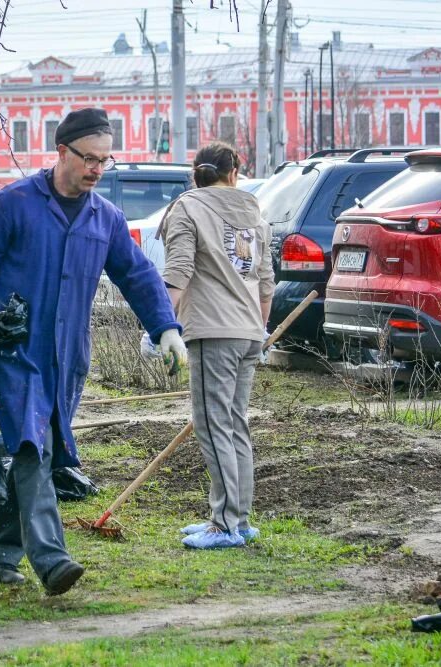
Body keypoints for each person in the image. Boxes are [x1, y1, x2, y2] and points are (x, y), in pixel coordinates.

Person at [0, 108, 185, 596]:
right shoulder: (15, 203)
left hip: (68, 357)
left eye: (104, 161)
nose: (96, 169)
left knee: (45, 453)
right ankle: (52, 559)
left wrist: (166, 328)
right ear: (61, 152)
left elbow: (136, 274)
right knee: (32, 446)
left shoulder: (105, 218)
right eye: (88, 158)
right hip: (15, 349)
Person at [159, 141, 275, 550]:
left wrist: (159, 324)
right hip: (249, 332)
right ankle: (237, 519)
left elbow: (178, 272)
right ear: (234, 173)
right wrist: (261, 331)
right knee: (235, 424)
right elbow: (265, 284)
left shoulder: (188, 208)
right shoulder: (256, 215)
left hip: (213, 331)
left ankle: (225, 524)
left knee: (212, 426)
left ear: (195, 174)